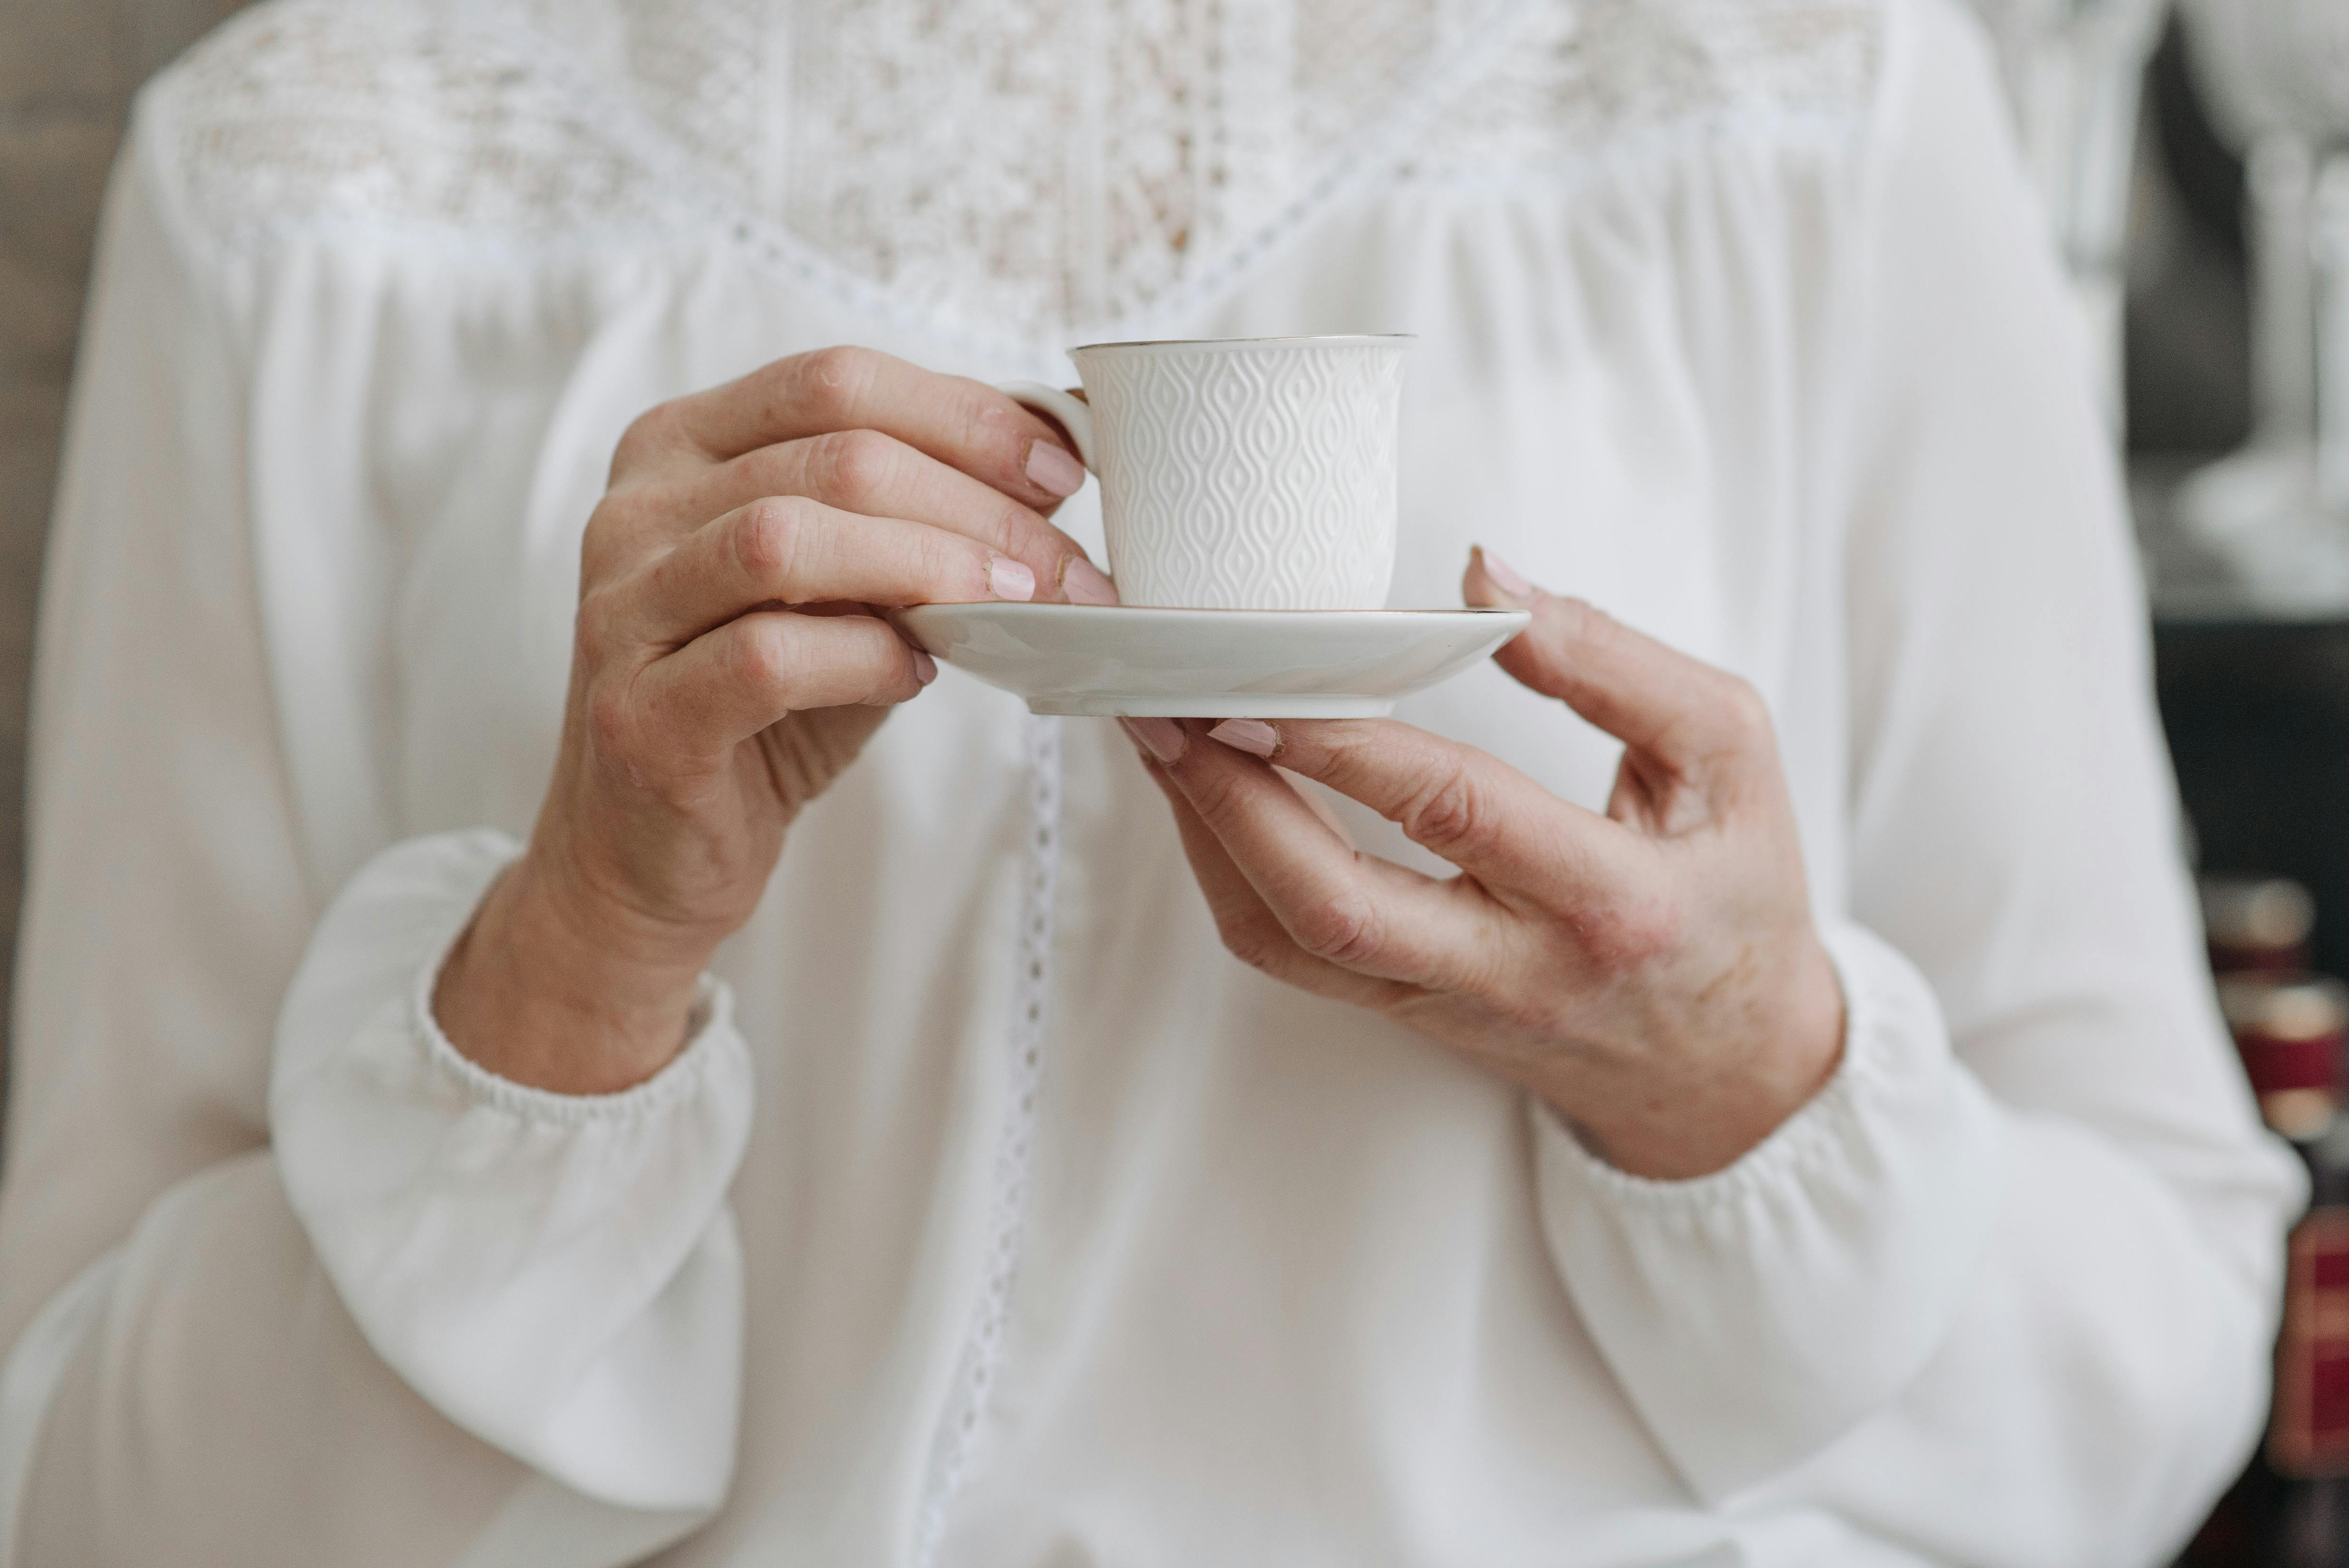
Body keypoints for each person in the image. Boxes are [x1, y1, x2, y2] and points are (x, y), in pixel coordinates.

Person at [0, 0, 2303, 1561]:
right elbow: (83, 1480)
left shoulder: (1800, 91)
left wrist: (1733, 1081)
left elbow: (2153, 1342)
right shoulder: (312, 167)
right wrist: (571, 973)